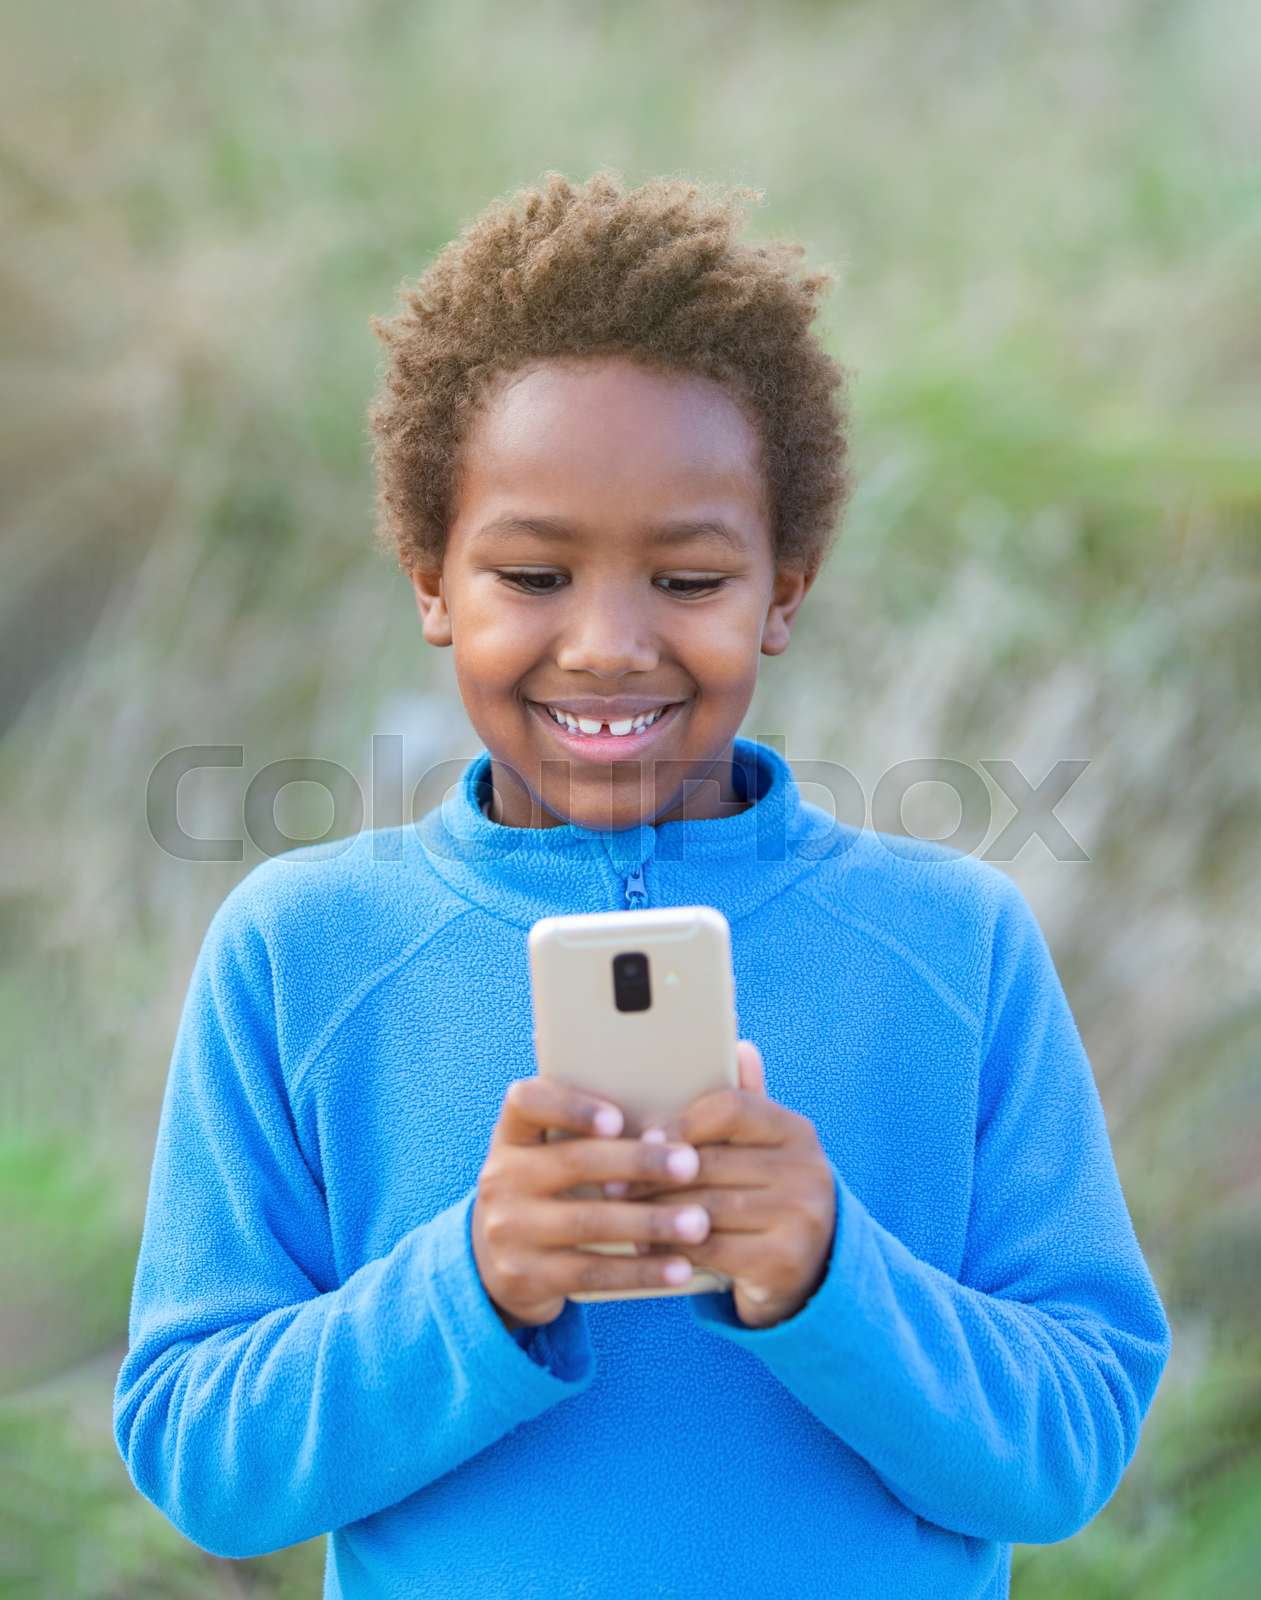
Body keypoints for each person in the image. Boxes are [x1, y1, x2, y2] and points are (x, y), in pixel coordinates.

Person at [113, 170, 1172, 1599]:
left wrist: (829, 1276)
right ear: (432, 577)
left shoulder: (951, 945)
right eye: (533, 574)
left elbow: (1067, 1449)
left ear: (781, 589)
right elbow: (204, 1466)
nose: (608, 643)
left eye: (686, 581)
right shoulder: (301, 952)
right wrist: (473, 1284)